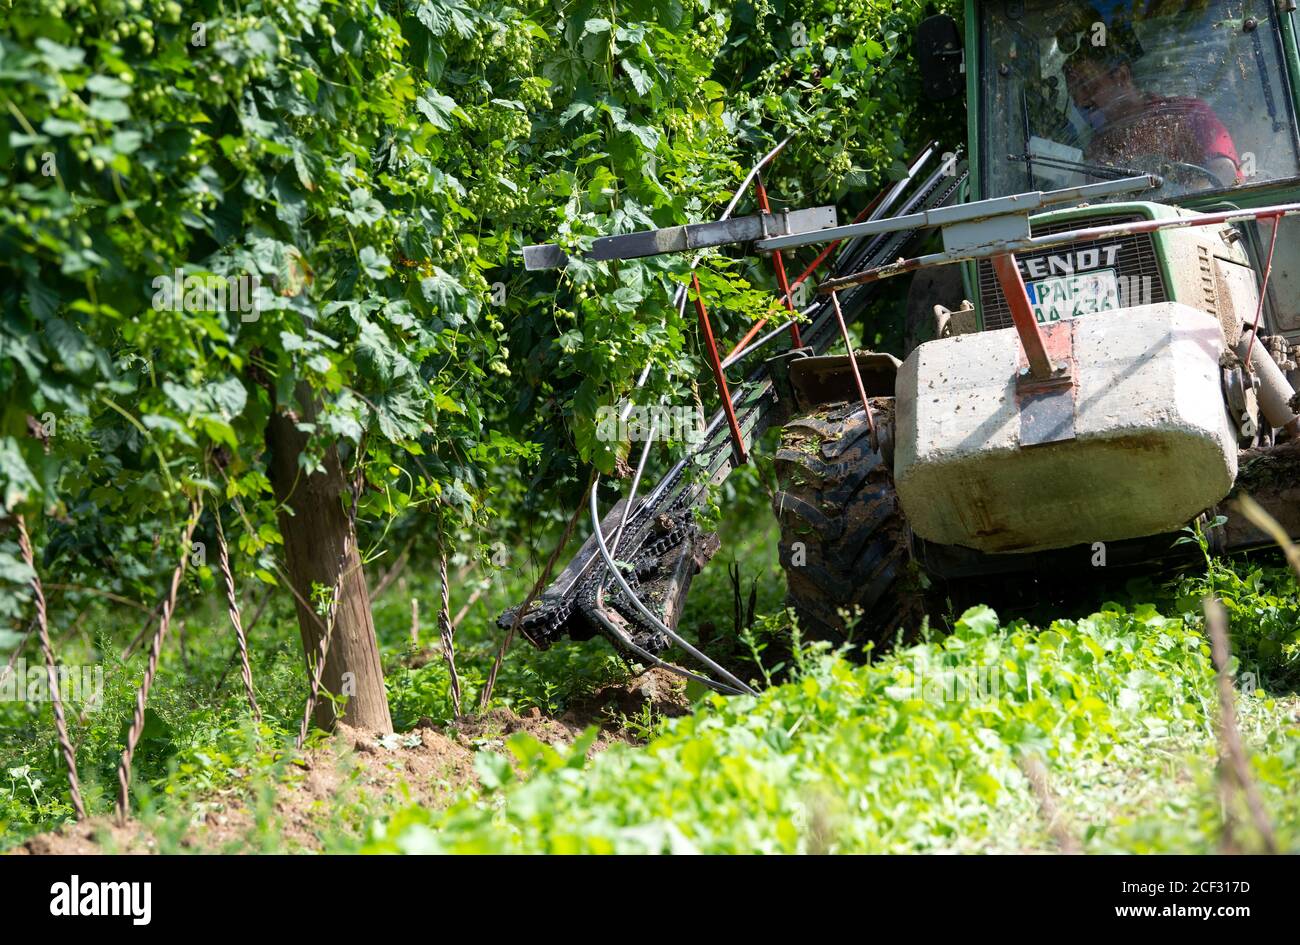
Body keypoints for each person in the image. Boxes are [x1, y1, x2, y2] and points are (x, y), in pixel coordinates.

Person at [1063, 42, 1240, 187]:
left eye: (1087, 87)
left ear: (1122, 77)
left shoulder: (1187, 113)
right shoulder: (1098, 149)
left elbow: (1224, 170)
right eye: (1074, 97)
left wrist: (1181, 199)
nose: (1081, 102)